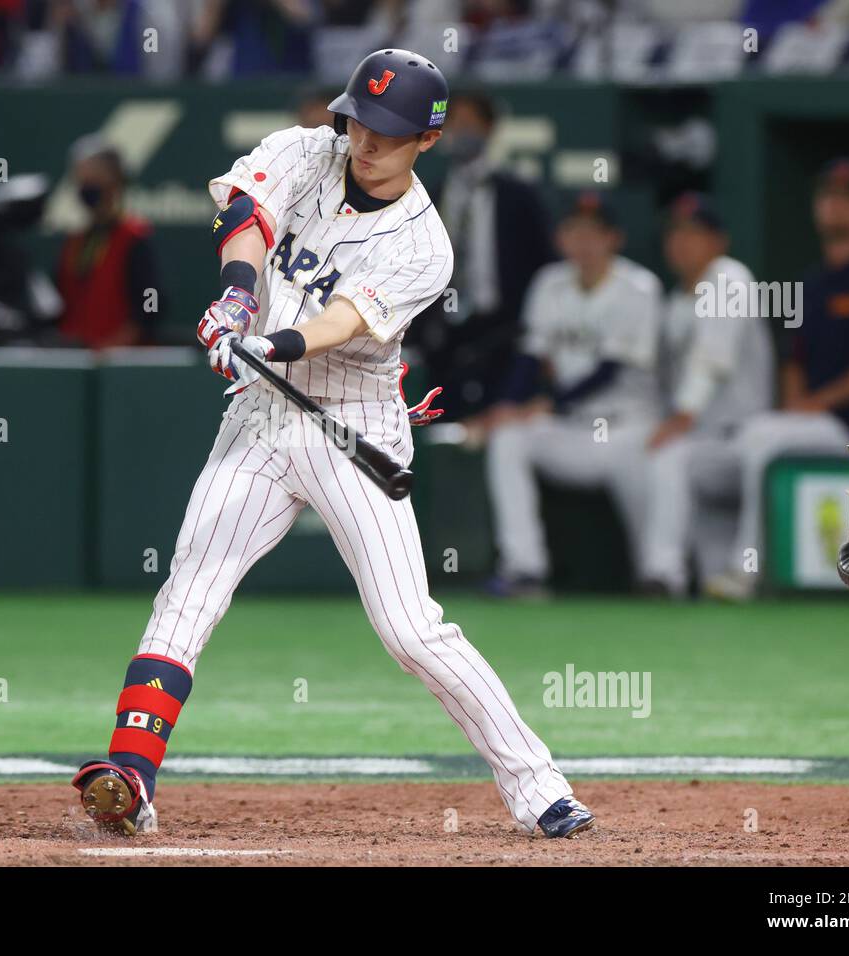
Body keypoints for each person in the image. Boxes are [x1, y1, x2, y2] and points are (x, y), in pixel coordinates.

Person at [71, 49, 595, 841]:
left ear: (426, 138)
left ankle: (538, 784)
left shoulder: (424, 243)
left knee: (409, 628)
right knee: (188, 591)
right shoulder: (309, 147)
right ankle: (129, 775)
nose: (366, 141)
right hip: (258, 418)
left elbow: (343, 323)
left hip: (352, 426)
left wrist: (269, 341)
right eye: (360, 120)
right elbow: (244, 213)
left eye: (388, 130)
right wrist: (238, 298)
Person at [706, 158, 849, 600]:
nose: (835, 207)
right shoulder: (812, 282)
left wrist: (815, 404)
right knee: (740, 444)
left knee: (761, 437)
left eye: (847, 199)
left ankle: (746, 570)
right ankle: (709, 567)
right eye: (827, 197)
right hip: (813, 424)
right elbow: (794, 363)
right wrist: (799, 405)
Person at [484, 192, 663, 596]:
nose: (582, 241)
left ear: (613, 238)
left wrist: (545, 403)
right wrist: (508, 407)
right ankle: (524, 566)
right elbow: (531, 357)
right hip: (570, 430)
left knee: (651, 548)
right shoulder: (550, 283)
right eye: (573, 231)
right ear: (561, 238)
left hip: (630, 433)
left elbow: (609, 370)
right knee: (509, 437)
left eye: (593, 232)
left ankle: (659, 580)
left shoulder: (639, 287)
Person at [638, 194, 774, 597]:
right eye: (675, 233)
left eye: (694, 234)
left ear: (719, 242)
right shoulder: (674, 300)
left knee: (672, 453)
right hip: (707, 444)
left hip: (746, 437)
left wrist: (681, 417)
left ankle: (747, 573)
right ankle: (663, 577)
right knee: (669, 461)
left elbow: (713, 359)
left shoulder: (729, 276)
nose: (681, 242)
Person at [412, 89, 555, 422]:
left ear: (489, 128)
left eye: (469, 123)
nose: (460, 133)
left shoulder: (518, 194)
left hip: (502, 329)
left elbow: (542, 263)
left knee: (497, 420)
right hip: (443, 331)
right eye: (453, 125)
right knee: (442, 421)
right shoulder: (430, 192)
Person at [55, 135, 162, 349]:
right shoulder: (75, 241)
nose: (86, 187)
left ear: (115, 181)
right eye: (81, 179)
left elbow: (150, 310)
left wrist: (114, 348)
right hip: (75, 365)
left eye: (94, 179)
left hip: (120, 369)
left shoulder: (133, 237)